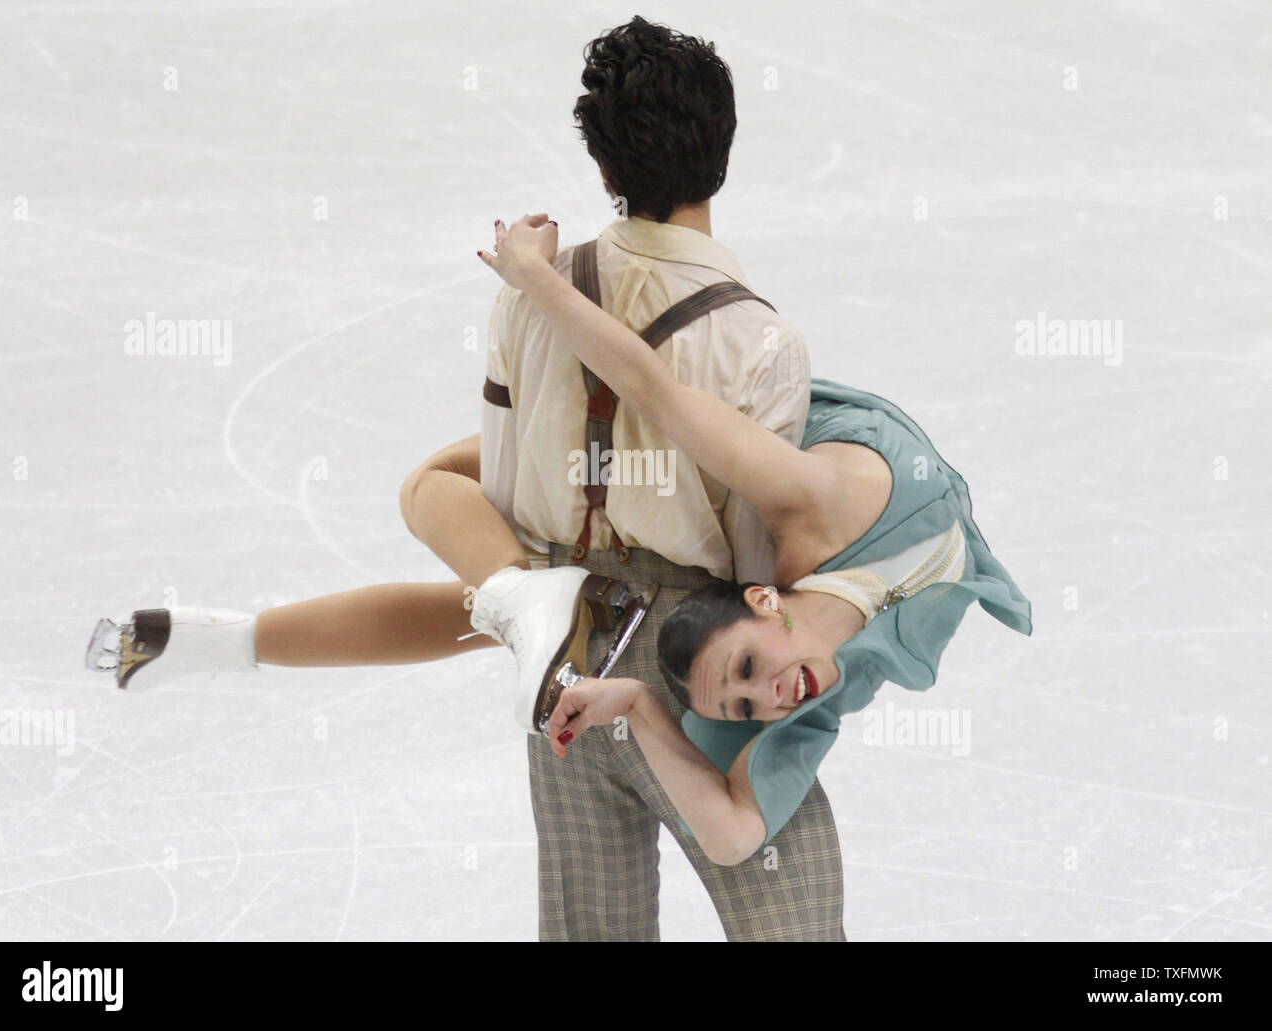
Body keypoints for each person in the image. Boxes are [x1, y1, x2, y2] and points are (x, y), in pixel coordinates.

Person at [88, 16, 848, 942]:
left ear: (605, 172)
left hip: (566, 664)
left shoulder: (526, 295)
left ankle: (266, 632)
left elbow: (511, 493)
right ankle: (269, 632)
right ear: (724, 149)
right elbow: (765, 560)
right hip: (710, 668)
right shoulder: (762, 342)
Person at [477, 213, 1033, 866]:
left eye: (745, 669)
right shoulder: (805, 701)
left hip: (791, 436)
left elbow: (653, 389)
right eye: (744, 703)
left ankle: (503, 584)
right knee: (453, 493)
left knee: (474, 479)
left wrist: (532, 278)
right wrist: (638, 702)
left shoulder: (809, 509)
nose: (766, 698)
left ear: (767, 599)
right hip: (695, 468)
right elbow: (733, 836)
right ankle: (501, 583)